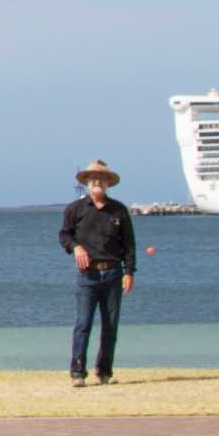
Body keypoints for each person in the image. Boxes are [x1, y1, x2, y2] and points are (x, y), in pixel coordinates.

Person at [59, 160, 138, 388]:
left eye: (102, 178)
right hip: (88, 276)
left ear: (108, 183)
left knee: (110, 325)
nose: (97, 182)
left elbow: (129, 245)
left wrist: (129, 272)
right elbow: (64, 235)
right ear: (86, 182)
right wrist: (76, 247)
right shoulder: (75, 209)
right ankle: (77, 372)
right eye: (93, 178)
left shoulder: (119, 210)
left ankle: (104, 371)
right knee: (83, 323)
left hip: (113, 274)